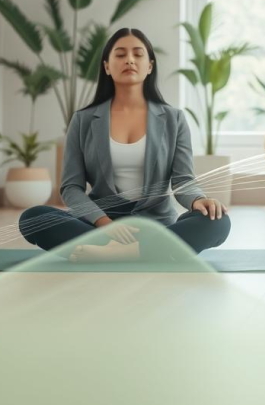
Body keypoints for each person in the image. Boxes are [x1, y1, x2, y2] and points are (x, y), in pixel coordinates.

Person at [18, 28, 230, 262]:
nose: (129, 59)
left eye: (138, 54)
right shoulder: (83, 120)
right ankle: (150, 252)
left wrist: (198, 201)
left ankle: (121, 254)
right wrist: (104, 223)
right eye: (120, 54)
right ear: (107, 66)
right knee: (33, 218)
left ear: (150, 66)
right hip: (102, 227)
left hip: (157, 226)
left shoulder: (173, 119)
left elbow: (183, 180)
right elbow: (71, 187)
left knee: (217, 220)